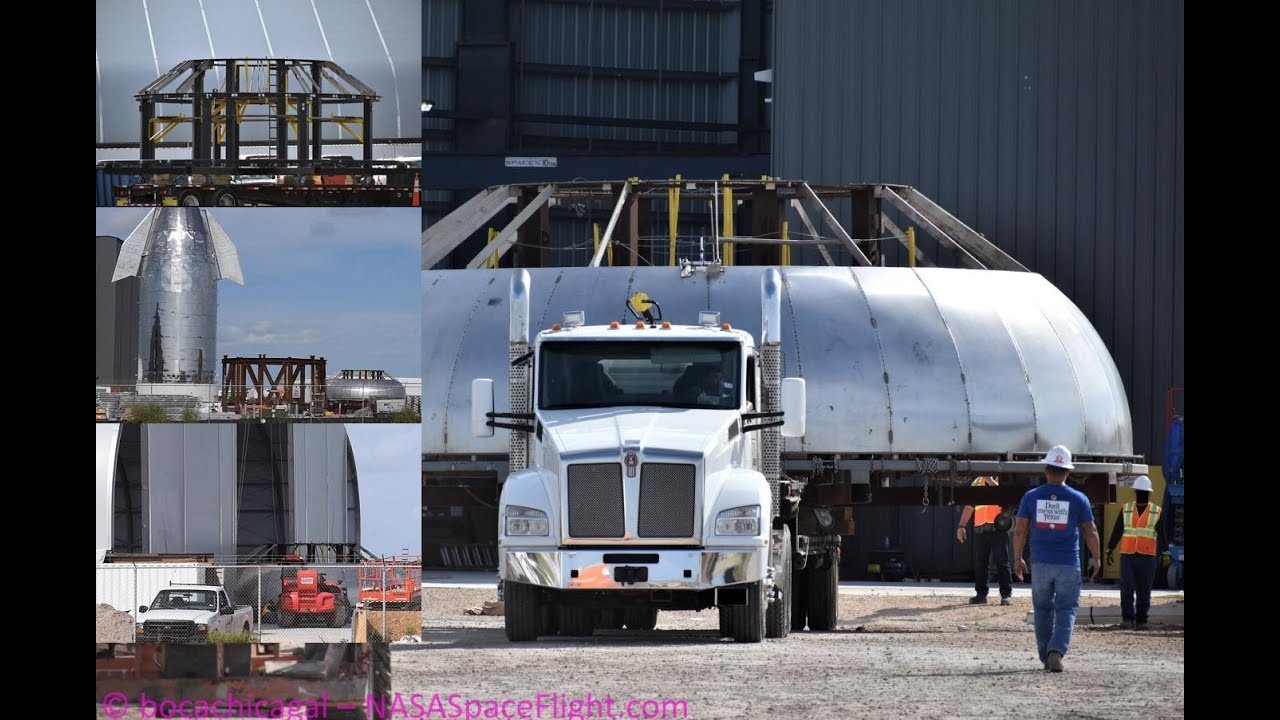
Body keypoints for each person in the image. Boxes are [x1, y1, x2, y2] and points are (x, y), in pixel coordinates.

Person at [1013, 445, 1102, 673]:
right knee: (1067, 610)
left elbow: (1021, 530)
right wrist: (1096, 557)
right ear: (1068, 472)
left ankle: (1046, 657)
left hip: (1040, 564)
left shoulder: (1031, 497)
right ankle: (1056, 651)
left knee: (1042, 611)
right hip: (1068, 564)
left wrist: (1017, 559)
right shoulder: (1078, 498)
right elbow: (1090, 530)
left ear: (1046, 470)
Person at [1106, 475, 1166, 629]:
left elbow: (1163, 534)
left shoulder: (1156, 511)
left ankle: (1141, 620)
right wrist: (1109, 548)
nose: (1141, 494)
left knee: (1143, 589)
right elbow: (1117, 530)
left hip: (1147, 556)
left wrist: (1165, 552)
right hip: (1128, 555)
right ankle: (1127, 619)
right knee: (1127, 588)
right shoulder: (1126, 509)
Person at [955, 476, 1013, 605]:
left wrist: (991, 482)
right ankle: (981, 595)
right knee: (981, 563)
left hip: (998, 527)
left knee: (1002, 562)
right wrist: (961, 526)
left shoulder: (1003, 479)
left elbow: (1004, 497)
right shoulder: (976, 481)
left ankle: (1006, 595)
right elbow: (969, 506)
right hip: (980, 527)